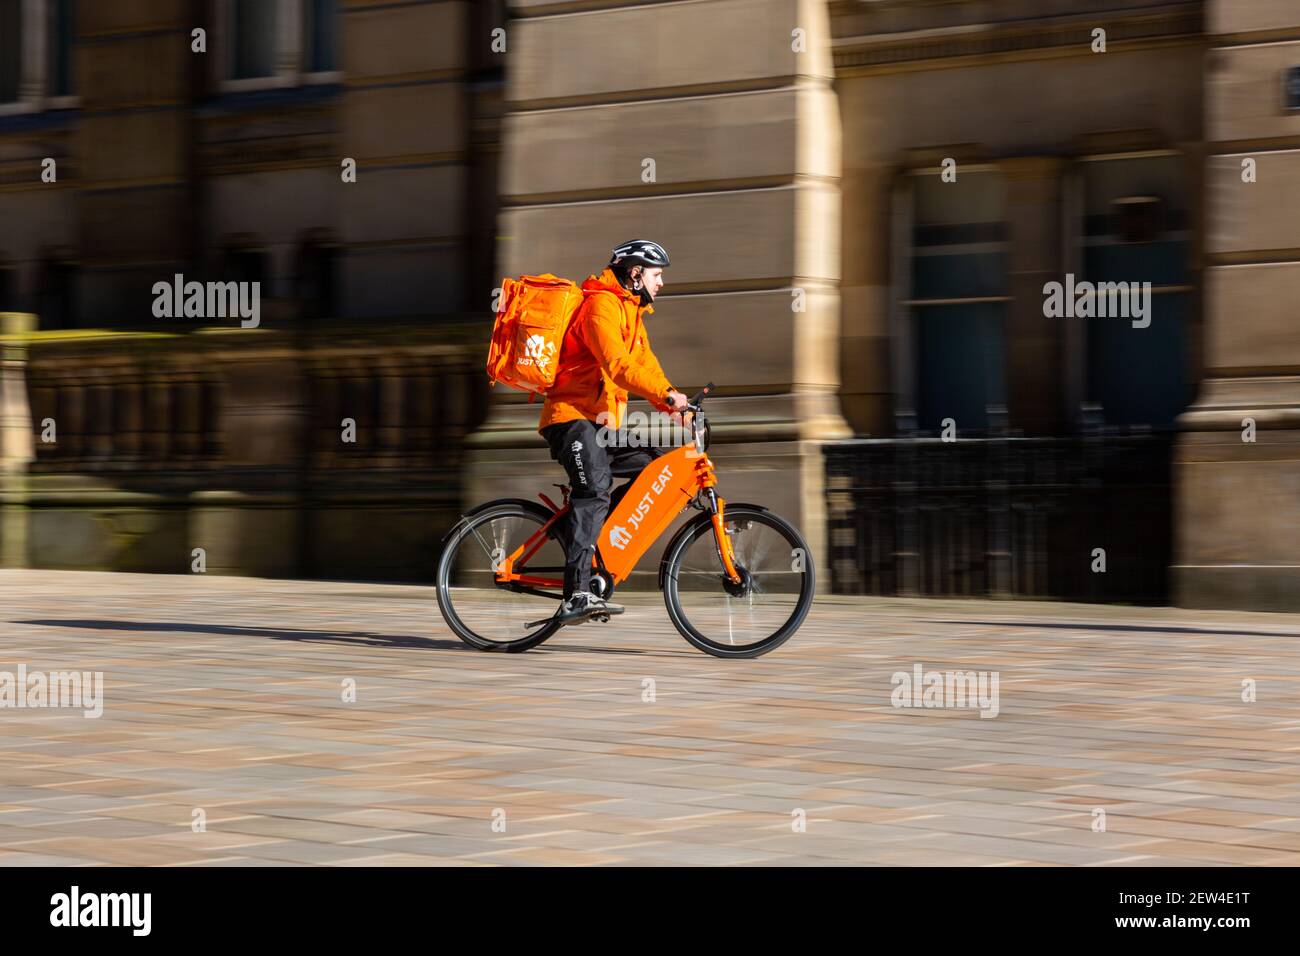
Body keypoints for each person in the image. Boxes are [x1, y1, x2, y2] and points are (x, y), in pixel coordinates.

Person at [538, 240, 690, 625]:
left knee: (658, 467)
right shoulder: (600, 306)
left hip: (600, 424)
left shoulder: (631, 312)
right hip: (570, 418)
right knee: (594, 489)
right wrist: (665, 396)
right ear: (636, 273)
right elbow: (617, 365)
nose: (662, 284)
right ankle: (577, 593)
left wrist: (673, 404)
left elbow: (646, 366)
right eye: (657, 275)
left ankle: (594, 542)